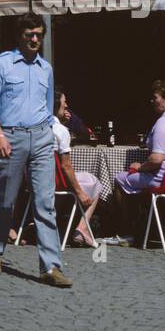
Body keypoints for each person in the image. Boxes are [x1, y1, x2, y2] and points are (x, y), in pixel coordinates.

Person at [0, 12, 72, 288]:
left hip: (42, 138)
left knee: (45, 202)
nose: (34, 39)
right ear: (19, 36)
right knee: (5, 200)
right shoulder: (1, 64)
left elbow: (47, 108)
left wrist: (49, 134)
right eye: (29, 35)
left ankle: (51, 266)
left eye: (38, 35)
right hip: (11, 137)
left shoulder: (46, 68)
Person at [110, 80, 165, 247]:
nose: (152, 100)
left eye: (155, 97)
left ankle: (126, 233)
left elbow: (156, 159)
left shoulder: (164, 122)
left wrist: (139, 167)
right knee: (141, 187)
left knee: (120, 180)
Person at [53, 87, 101, 247]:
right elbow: (66, 166)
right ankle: (82, 228)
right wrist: (80, 192)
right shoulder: (60, 131)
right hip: (57, 181)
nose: (66, 107)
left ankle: (57, 223)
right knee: (97, 182)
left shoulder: (36, 128)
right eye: (64, 105)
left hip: (37, 182)